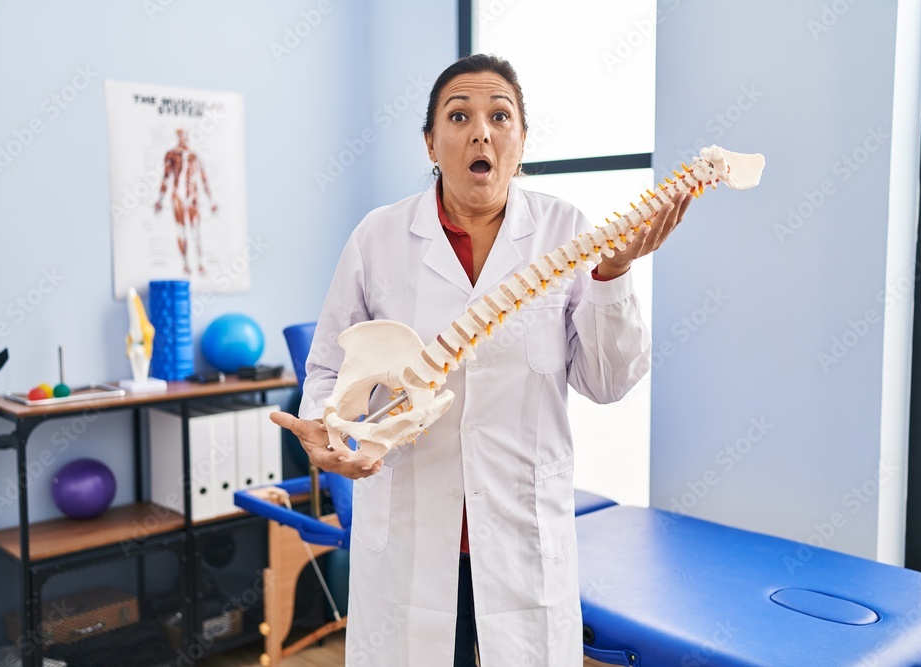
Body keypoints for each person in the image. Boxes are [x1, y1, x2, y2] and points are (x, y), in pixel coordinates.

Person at [272, 54, 691, 666]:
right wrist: (326, 432)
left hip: (523, 534)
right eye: (459, 115)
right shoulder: (377, 238)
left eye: (501, 116)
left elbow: (607, 381)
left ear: (520, 142)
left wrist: (612, 272)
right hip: (409, 535)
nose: (481, 131)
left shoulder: (566, 233)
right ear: (430, 143)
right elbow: (329, 370)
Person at [153, 128, 217, 275]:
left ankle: (200, 263)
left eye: (184, 135)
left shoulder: (195, 155)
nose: (182, 138)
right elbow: (166, 177)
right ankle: (185, 263)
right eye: (180, 135)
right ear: (177, 136)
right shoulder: (171, 154)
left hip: (192, 196)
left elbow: (203, 178)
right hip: (177, 196)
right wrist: (160, 199)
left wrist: (211, 201)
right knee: (181, 231)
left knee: (195, 230)